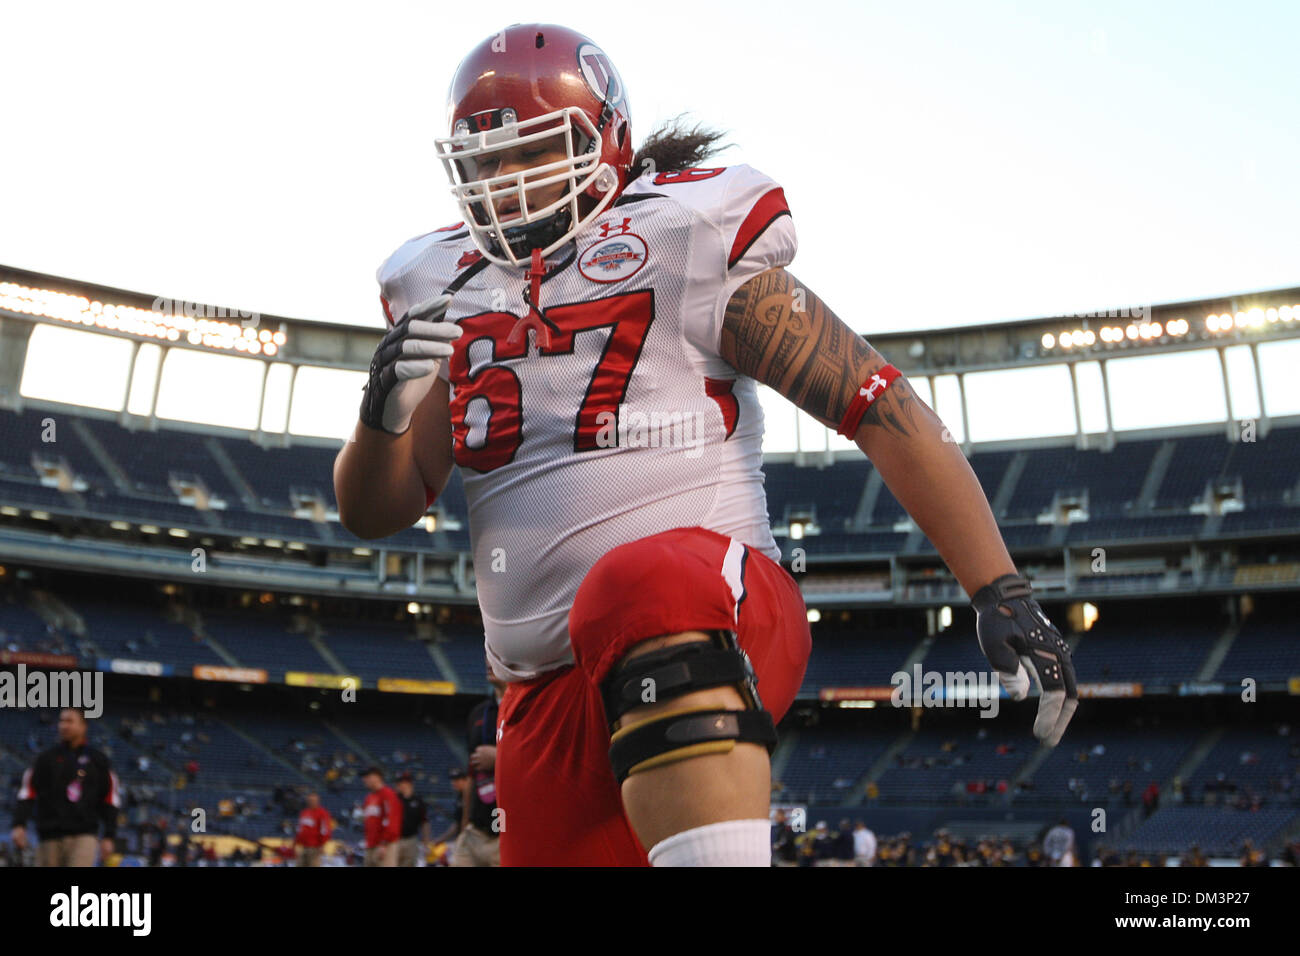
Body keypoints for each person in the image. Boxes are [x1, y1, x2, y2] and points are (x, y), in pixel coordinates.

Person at [334, 23, 1078, 867]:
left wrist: (1000, 588)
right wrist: (381, 416)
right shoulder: (437, 285)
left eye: (531, 154)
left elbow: (876, 402)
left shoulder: (682, 232)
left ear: (604, 140)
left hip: (713, 611)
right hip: (538, 697)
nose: (505, 183)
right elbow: (375, 510)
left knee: (636, 580)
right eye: (486, 161)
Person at [10, 708, 121, 866]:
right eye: (61, 721)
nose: (64, 726)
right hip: (49, 835)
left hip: (84, 834)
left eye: (70, 721)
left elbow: (110, 799)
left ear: (84, 726)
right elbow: (28, 793)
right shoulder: (45, 759)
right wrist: (19, 824)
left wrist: (109, 835)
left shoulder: (98, 761)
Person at [452, 665, 505, 867]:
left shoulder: (529, 706)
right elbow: (471, 774)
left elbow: (539, 762)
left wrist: (499, 758)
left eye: (496, 655)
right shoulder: (478, 713)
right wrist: (465, 825)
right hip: (475, 830)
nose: (489, 663)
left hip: (508, 830)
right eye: (487, 657)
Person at [360, 767, 401, 867]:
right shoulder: (369, 798)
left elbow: (391, 820)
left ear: (377, 777)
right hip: (371, 844)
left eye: (367, 777)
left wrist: (384, 843)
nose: (364, 780)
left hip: (384, 845)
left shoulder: (388, 794)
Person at [394, 773, 430, 867]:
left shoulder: (418, 801)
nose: (398, 786)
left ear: (409, 783)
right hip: (395, 840)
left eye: (401, 783)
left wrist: (426, 842)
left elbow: (424, 822)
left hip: (411, 840)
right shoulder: (394, 799)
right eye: (398, 783)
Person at [294, 791, 334, 867]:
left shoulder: (322, 813)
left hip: (315, 848)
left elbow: (325, 830)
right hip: (303, 847)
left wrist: (322, 844)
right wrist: (296, 843)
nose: (311, 802)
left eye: (313, 800)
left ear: (318, 801)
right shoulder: (304, 813)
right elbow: (300, 830)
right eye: (310, 800)